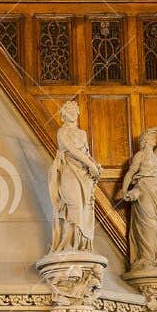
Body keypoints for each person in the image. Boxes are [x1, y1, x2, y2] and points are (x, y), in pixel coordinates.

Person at [48, 99, 104, 254]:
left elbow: (85, 153)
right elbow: (73, 151)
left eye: (74, 109)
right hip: (69, 171)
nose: (72, 112)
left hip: (83, 174)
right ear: (63, 115)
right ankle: (67, 246)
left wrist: (95, 166)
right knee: (74, 206)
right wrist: (90, 164)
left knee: (84, 208)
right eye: (69, 110)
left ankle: (80, 245)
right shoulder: (62, 131)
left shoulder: (82, 133)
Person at [119, 126, 157, 270]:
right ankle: (146, 258)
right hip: (144, 188)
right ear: (145, 141)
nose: (155, 139)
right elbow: (130, 173)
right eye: (152, 137)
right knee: (148, 223)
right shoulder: (140, 155)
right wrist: (124, 190)